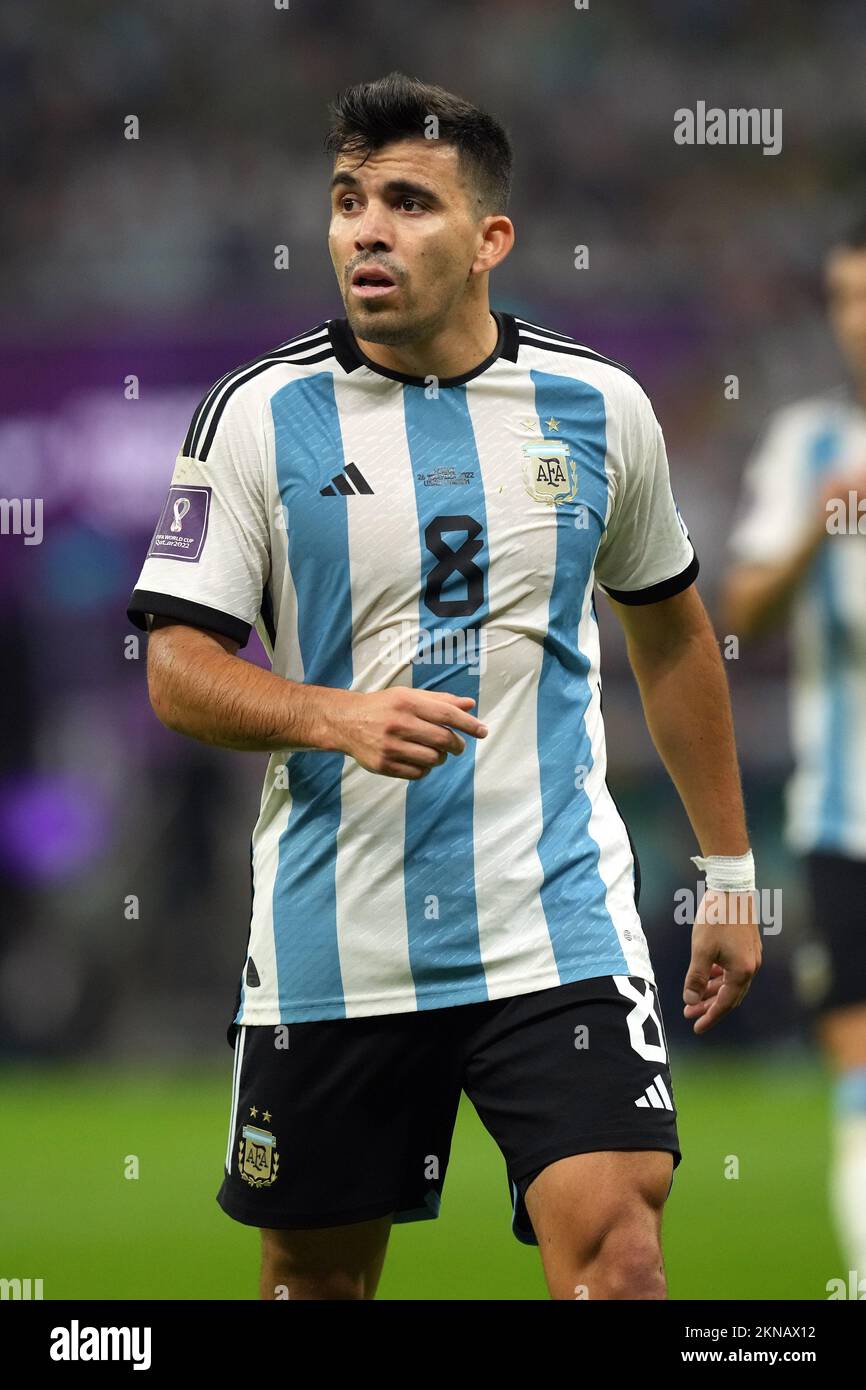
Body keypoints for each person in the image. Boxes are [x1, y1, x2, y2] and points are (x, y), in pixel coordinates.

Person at [127, 71, 759, 1300]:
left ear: (488, 241)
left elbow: (674, 635)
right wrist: (330, 713)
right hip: (333, 936)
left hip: (550, 919)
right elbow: (175, 669)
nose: (366, 228)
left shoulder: (598, 408)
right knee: (313, 1285)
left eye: (408, 203)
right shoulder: (253, 417)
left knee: (621, 1254)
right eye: (348, 199)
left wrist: (728, 876)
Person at [722, 219, 866, 1283]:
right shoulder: (809, 444)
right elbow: (740, 613)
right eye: (843, 298)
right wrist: (822, 523)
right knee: (859, 1084)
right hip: (844, 817)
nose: (857, 321)